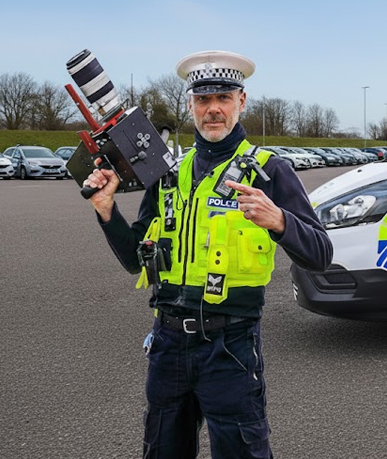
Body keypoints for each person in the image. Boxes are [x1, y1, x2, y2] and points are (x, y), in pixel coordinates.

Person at [84, 50, 333, 457]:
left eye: (223, 98)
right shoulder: (168, 175)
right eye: (203, 100)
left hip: (230, 346)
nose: (213, 109)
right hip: (167, 345)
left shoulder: (269, 171)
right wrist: (106, 210)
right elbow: (135, 259)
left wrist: (279, 220)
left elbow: (321, 254)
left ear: (242, 102)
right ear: (190, 106)